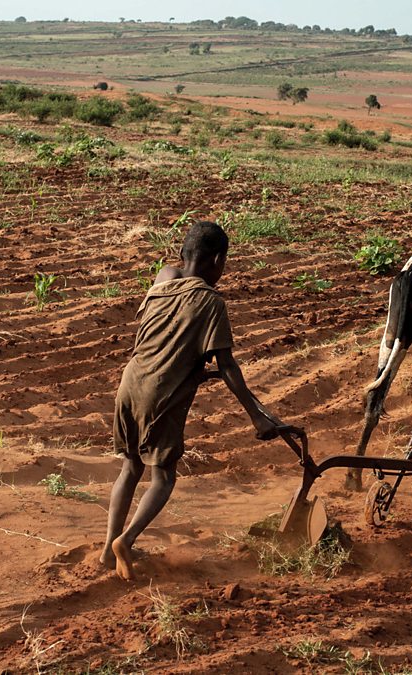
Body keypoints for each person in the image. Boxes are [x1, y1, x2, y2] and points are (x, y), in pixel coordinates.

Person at [102, 221, 302, 580]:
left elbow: (171, 334)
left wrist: (194, 369)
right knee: (162, 478)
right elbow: (227, 365)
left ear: (182, 254)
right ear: (219, 261)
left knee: (130, 467)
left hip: (129, 384)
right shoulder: (211, 303)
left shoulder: (164, 277)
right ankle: (126, 541)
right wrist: (258, 417)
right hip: (160, 394)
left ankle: (107, 549)